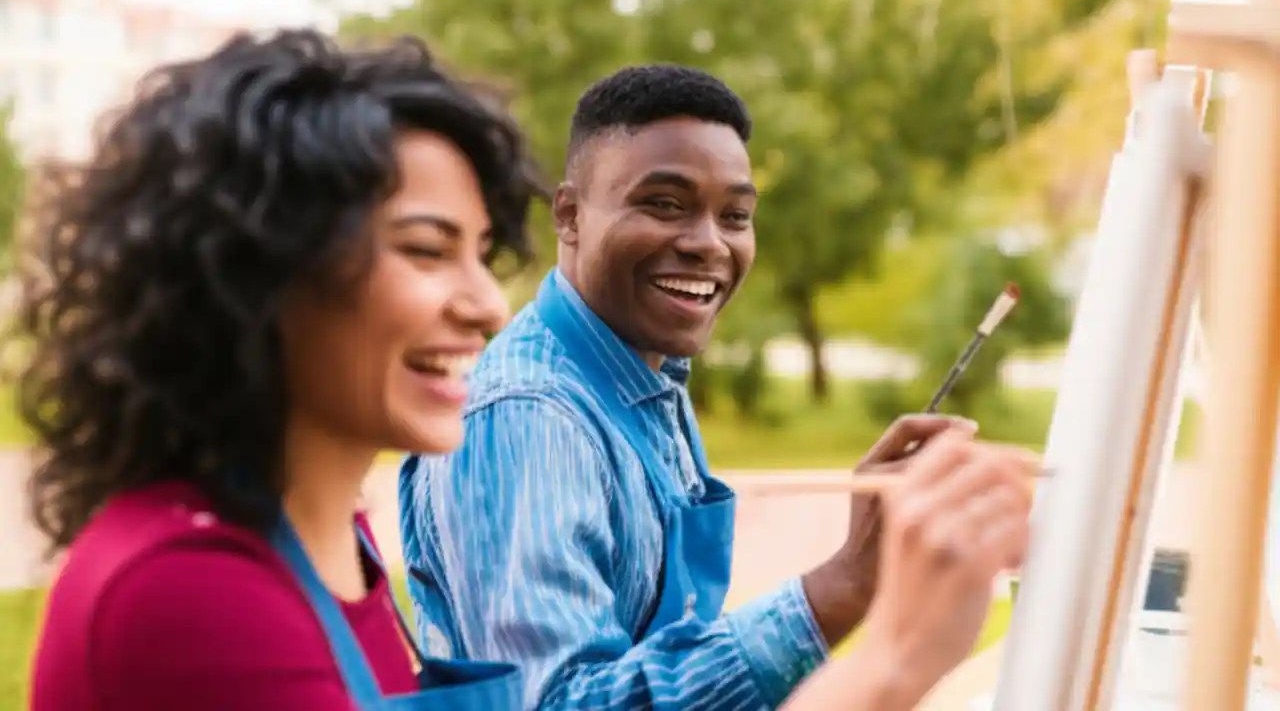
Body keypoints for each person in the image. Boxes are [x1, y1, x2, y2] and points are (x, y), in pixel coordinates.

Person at [399, 63, 1036, 709]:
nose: (709, 244)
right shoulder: (531, 417)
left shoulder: (645, 373)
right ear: (569, 215)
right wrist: (842, 588)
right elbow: (563, 703)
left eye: (735, 215)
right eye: (665, 204)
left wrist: (862, 563)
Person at [24, 29, 541, 710]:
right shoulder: (193, 593)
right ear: (261, 270)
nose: (488, 306)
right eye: (426, 250)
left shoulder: (330, 537)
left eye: (480, 253)